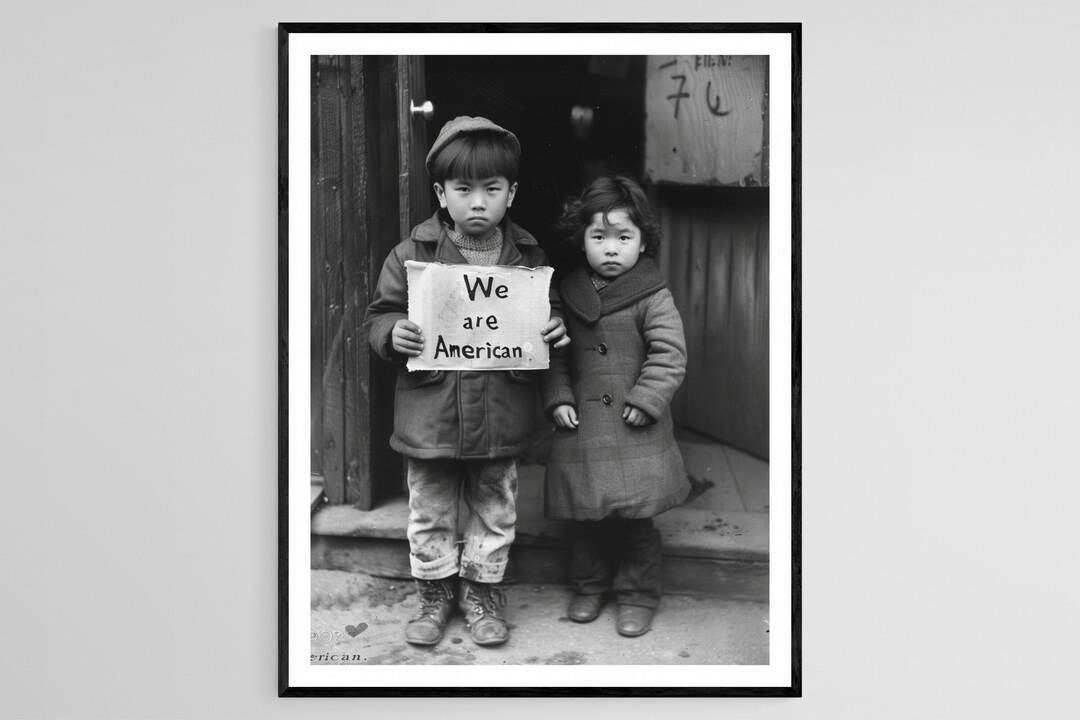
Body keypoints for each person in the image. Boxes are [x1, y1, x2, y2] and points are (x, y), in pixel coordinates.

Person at [364, 116, 569, 648]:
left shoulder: (528, 258)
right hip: (430, 416)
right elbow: (378, 316)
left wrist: (550, 328)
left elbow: (547, 317)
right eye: (463, 189)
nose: (478, 202)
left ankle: (482, 592)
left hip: (499, 416)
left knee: (494, 507)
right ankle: (434, 594)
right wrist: (394, 333)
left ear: (511, 193)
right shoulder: (412, 255)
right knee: (428, 507)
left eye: (492, 189)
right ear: (441, 193)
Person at [541, 175, 690, 637]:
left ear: (642, 243)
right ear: (581, 239)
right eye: (598, 237)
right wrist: (558, 398)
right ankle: (589, 587)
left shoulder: (652, 295)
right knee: (585, 520)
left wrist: (647, 400)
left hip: (634, 428)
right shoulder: (566, 294)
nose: (611, 248)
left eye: (623, 237)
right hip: (584, 428)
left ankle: (638, 595)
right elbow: (554, 354)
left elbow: (670, 354)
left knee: (636, 522)